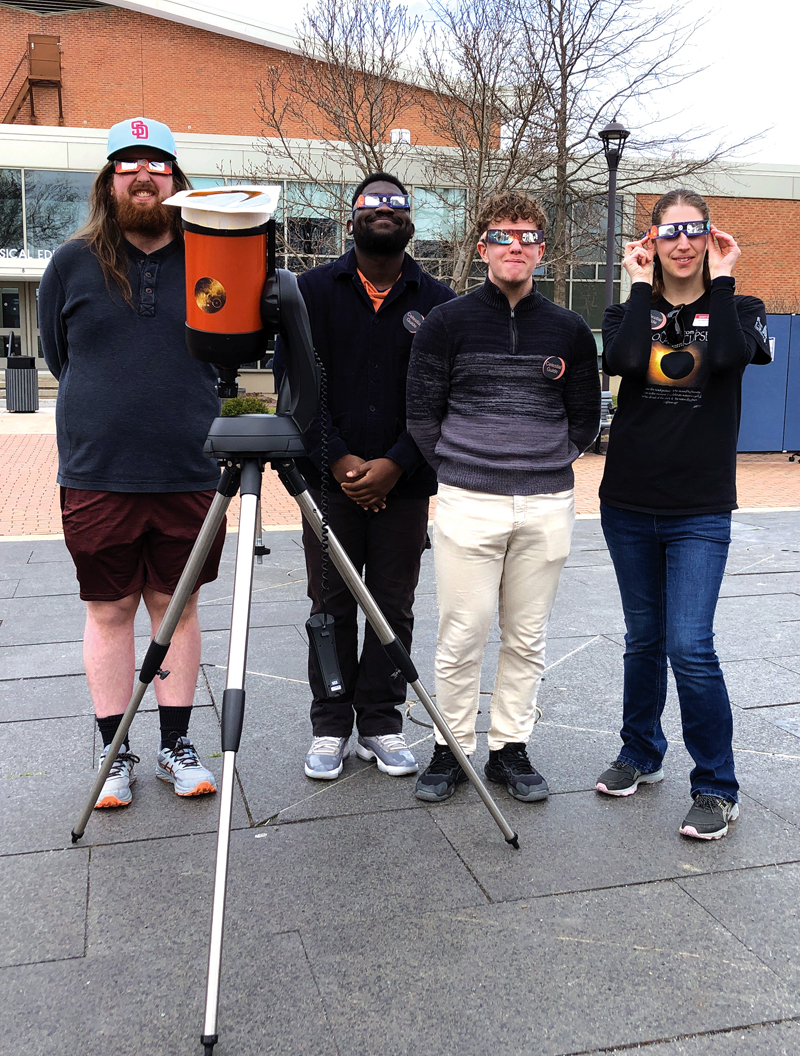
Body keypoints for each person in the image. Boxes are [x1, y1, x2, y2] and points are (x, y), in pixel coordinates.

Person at [39, 116, 224, 809]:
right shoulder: (70, 263)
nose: (143, 175)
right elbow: (63, 356)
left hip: (189, 469)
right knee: (110, 609)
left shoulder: (210, 258)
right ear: (109, 179)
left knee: (173, 609)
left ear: (176, 180)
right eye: (128, 164)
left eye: (157, 164)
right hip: (97, 472)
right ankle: (115, 752)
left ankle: (177, 743)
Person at [407, 190, 601, 803]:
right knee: (462, 631)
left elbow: (584, 420)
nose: (514, 246)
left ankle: (510, 749)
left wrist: (539, 464)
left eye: (526, 236)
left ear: (542, 250)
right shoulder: (448, 322)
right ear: (483, 247)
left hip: (546, 504)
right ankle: (451, 748)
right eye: (501, 235)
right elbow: (421, 413)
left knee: (527, 635)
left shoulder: (569, 329)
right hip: (468, 499)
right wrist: (468, 467)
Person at [595, 188, 771, 839]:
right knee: (643, 639)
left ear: (709, 237)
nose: (682, 241)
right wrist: (641, 288)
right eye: (669, 231)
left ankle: (718, 787)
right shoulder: (624, 312)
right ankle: (641, 753)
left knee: (689, 645)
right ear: (652, 240)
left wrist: (721, 283)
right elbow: (623, 362)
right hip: (628, 505)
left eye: (694, 229)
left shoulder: (739, 308)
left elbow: (726, 357)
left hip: (699, 510)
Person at [274, 173, 456, 780]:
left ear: (410, 220)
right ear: (351, 217)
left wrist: (395, 464)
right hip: (326, 482)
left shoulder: (439, 300)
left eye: (395, 205)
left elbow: (442, 398)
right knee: (328, 604)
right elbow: (295, 385)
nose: (384, 212)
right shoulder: (310, 291)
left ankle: (381, 720)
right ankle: (329, 724)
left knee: (393, 604)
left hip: (404, 485)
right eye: (371, 204)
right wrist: (340, 459)